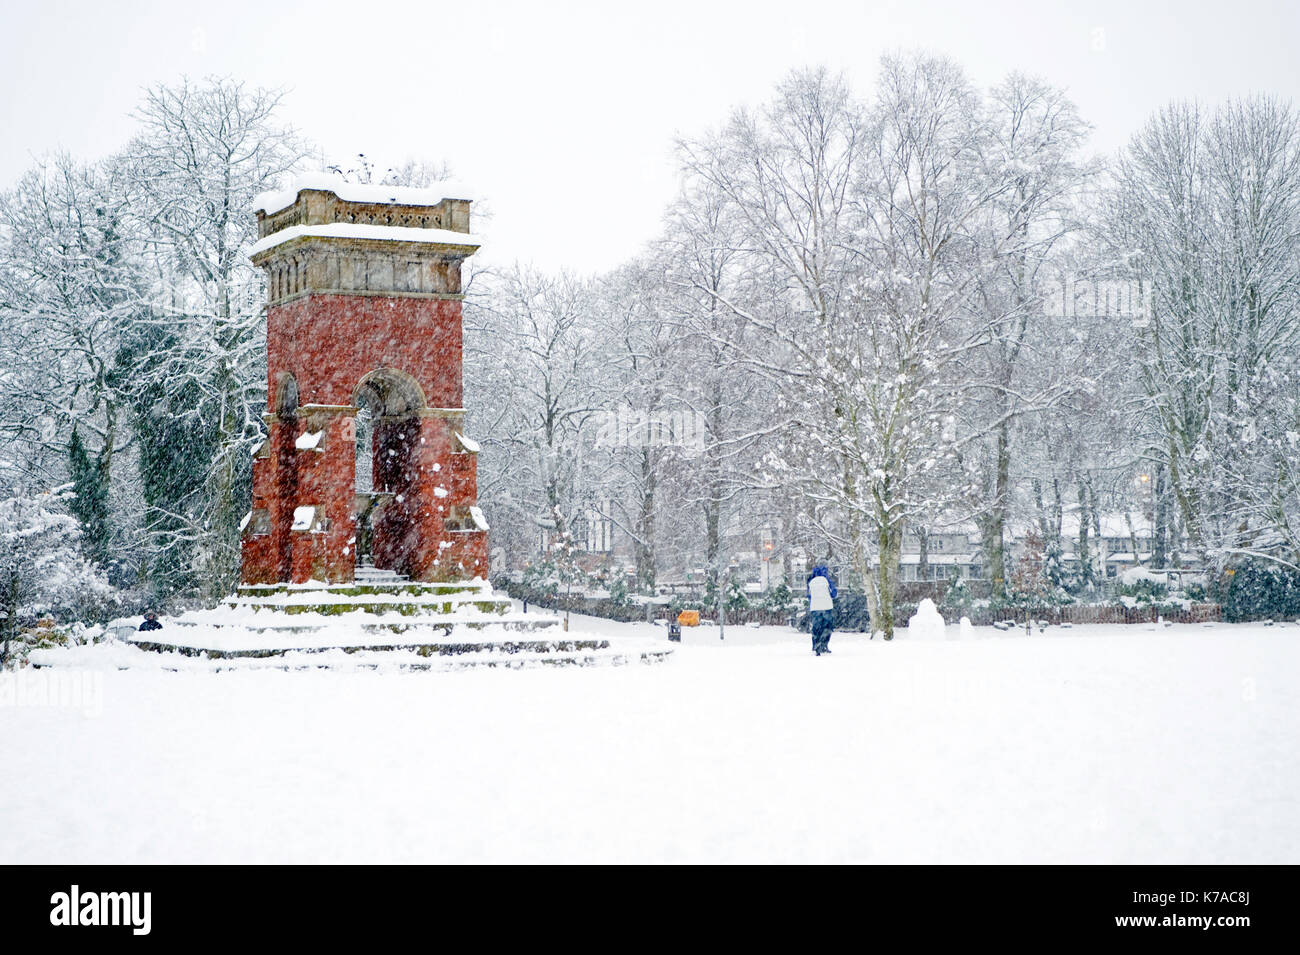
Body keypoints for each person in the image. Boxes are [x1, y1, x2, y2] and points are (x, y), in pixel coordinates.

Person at [806, 565, 837, 656]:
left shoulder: (811, 582)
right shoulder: (827, 581)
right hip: (826, 607)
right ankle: (824, 645)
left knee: (816, 628)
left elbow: (809, 595)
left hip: (815, 608)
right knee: (827, 628)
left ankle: (816, 646)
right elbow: (833, 593)